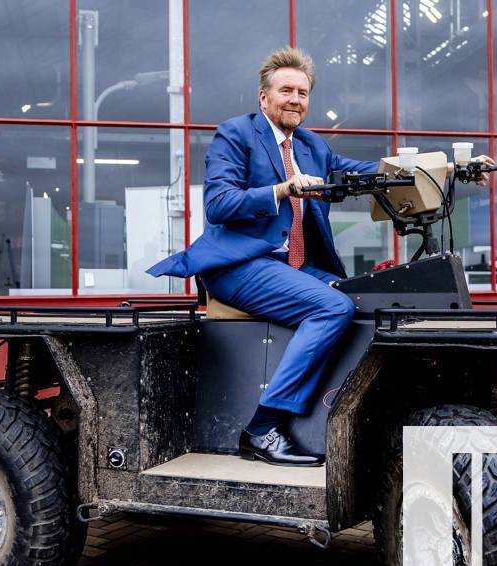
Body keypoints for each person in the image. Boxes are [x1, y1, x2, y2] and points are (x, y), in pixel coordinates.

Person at [147, 47, 380, 467]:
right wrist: (282, 189)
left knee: (362, 299)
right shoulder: (236, 134)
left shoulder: (312, 146)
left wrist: (439, 166)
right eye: (286, 90)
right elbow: (218, 204)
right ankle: (261, 429)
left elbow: (361, 171)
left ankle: (328, 421)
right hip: (239, 266)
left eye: (303, 92)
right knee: (332, 307)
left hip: (292, 266)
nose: (295, 99)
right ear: (264, 98)